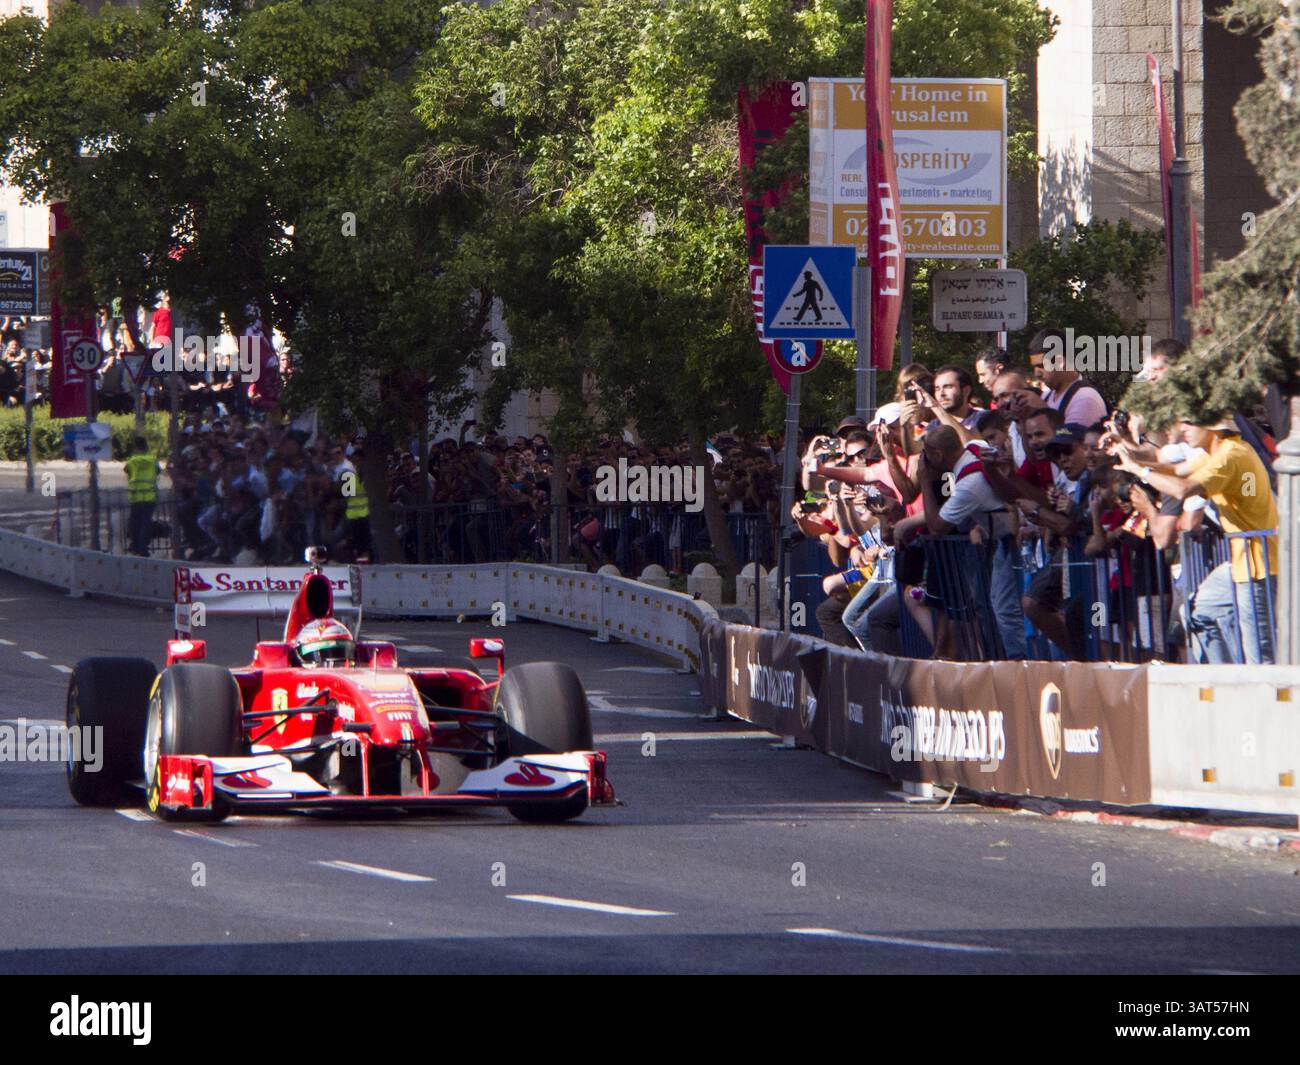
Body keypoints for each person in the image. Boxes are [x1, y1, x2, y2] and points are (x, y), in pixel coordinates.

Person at [1114, 417, 1279, 664]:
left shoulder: (1230, 456)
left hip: (1258, 564)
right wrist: (1133, 461)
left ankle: (1258, 691)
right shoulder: (1217, 452)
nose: (1181, 429)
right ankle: (1228, 680)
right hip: (1241, 560)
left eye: (1189, 423)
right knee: (1197, 613)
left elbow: (1182, 489)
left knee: (1259, 654)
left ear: (1213, 426)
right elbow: (1178, 470)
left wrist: (1140, 471)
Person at [1028, 327, 1109, 428]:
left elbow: (1069, 437)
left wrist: (1043, 410)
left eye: (1041, 366)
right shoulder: (1047, 396)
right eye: (1034, 367)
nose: (1036, 373)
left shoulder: (1085, 398)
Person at [124, 436, 160, 557]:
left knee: (135, 523)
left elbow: (126, 470)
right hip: (149, 496)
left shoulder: (132, 461)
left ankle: (135, 546)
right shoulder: (153, 460)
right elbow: (158, 471)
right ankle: (143, 547)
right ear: (146, 447)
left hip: (136, 496)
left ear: (135, 447)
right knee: (146, 523)